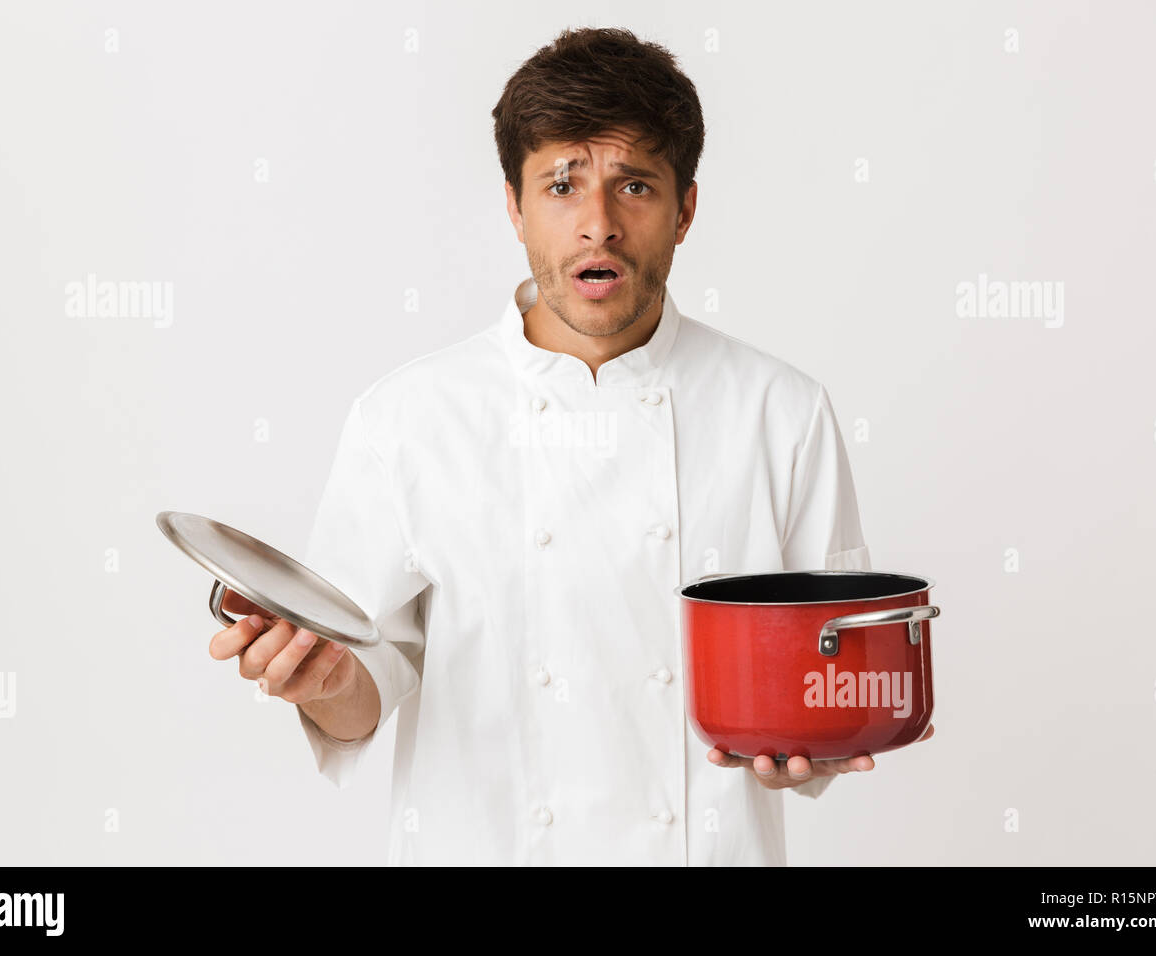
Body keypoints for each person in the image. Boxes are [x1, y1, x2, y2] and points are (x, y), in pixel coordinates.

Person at [209, 26, 930, 865]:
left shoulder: (781, 412)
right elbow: (360, 691)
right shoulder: (408, 418)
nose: (599, 224)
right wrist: (325, 684)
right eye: (561, 185)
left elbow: (829, 679)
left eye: (635, 185)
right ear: (514, 207)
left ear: (685, 209)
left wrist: (813, 741)